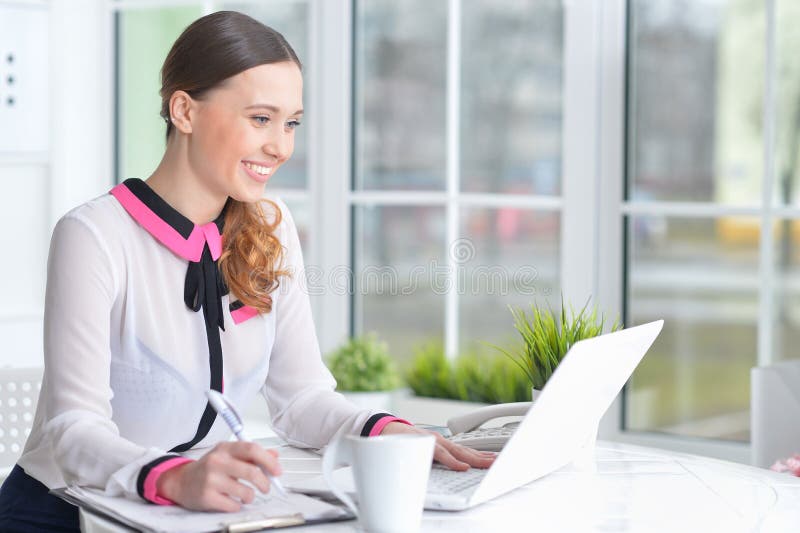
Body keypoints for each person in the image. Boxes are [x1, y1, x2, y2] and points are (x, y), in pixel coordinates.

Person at [0, 11, 493, 532]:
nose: (281, 146)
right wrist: (174, 478)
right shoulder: (93, 235)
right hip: (64, 512)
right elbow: (74, 429)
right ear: (184, 110)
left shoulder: (272, 229)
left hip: (197, 513)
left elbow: (300, 397)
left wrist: (389, 433)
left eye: (291, 123)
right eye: (260, 118)